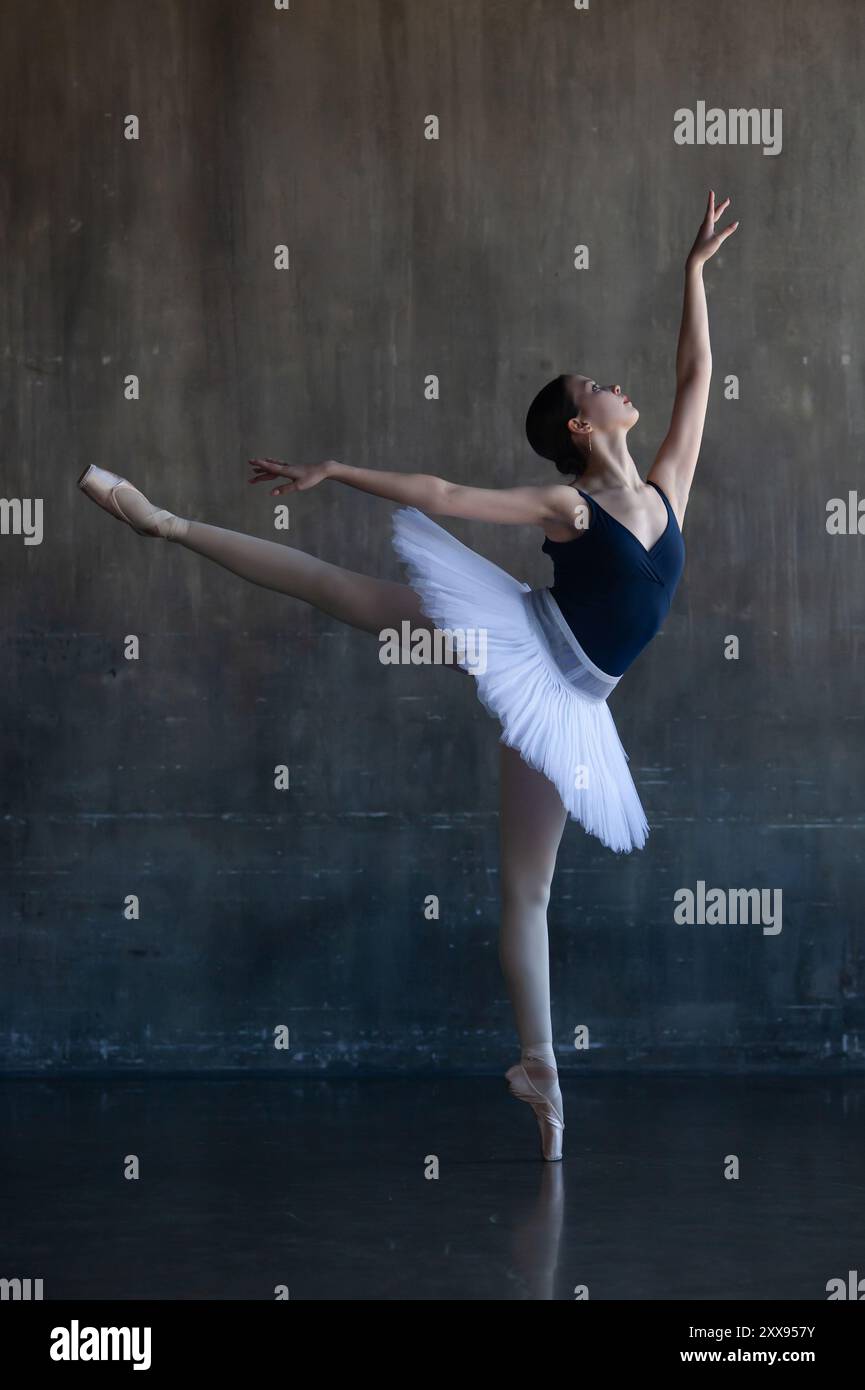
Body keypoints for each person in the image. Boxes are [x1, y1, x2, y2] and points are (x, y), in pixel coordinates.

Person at [79, 192, 738, 1160]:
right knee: (349, 593)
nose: (614, 384)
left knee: (527, 892)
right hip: (528, 644)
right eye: (595, 386)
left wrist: (691, 273)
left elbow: (697, 373)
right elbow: (445, 496)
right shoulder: (568, 502)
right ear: (578, 428)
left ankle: (539, 1072)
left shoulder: (667, 490)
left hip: (575, 703)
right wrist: (338, 469)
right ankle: (166, 524)